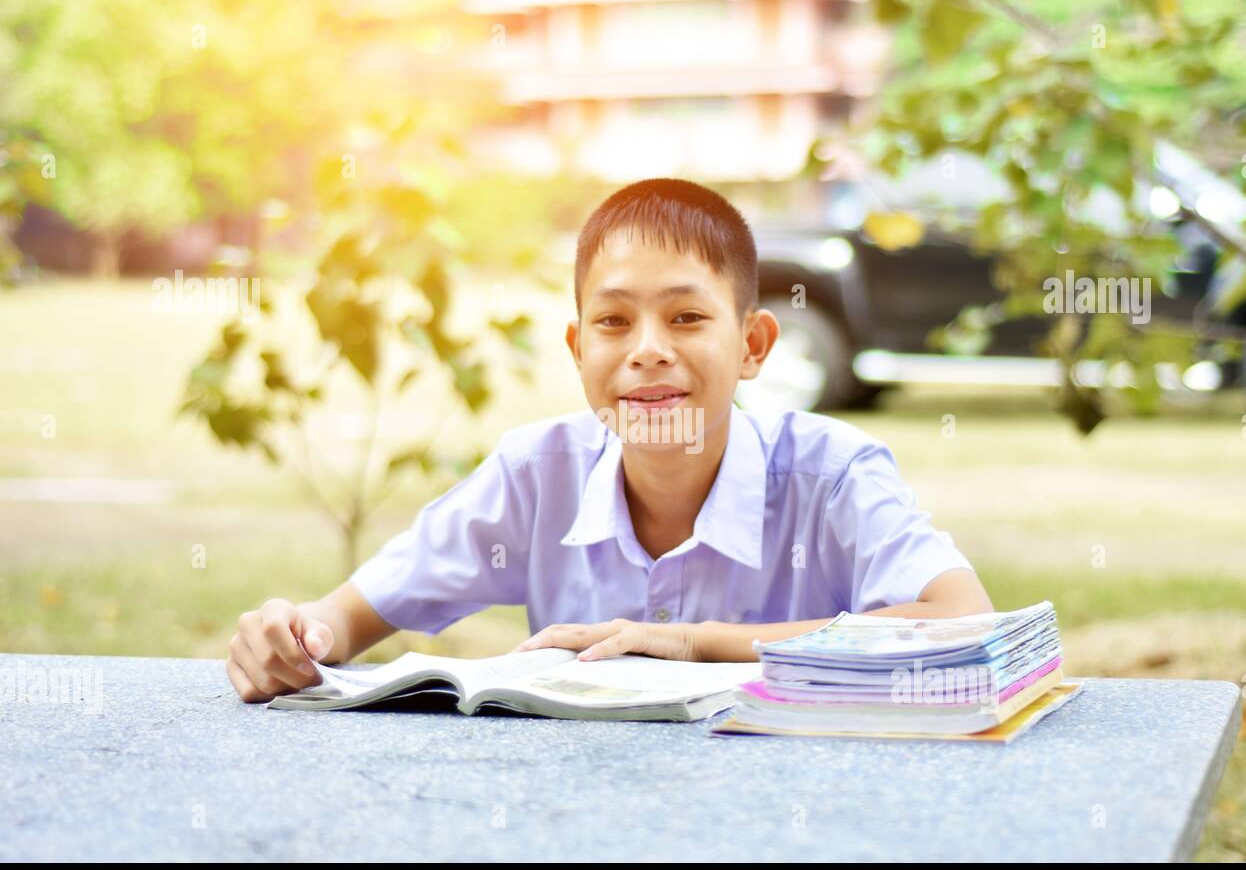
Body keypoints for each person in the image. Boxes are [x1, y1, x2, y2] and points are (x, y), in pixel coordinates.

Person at [226, 178, 993, 703]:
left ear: (755, 344)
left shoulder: (830, 474)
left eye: (687, 318)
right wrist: (295, 638)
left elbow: (963, 622)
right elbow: (346, 619)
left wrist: (700, 643)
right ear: (577, 346)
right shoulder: (537, 474)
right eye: (614, 321)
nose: (648, 349)